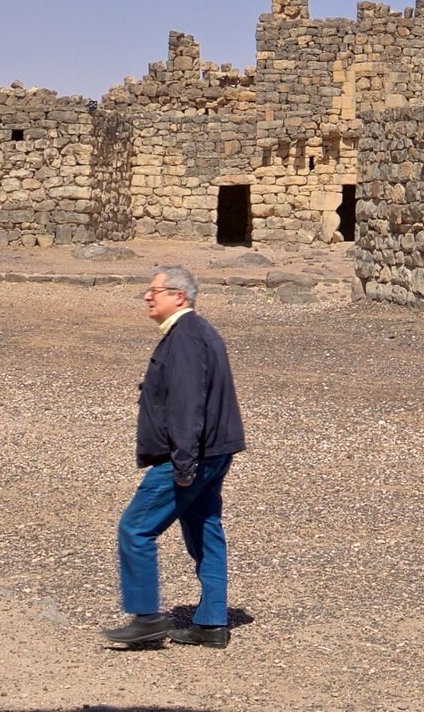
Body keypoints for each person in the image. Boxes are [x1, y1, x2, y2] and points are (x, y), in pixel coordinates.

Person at [101, 265, 246, 649]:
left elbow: (186, 405)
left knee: (135, 528)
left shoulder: (184, 337)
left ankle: (146, 618)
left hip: (191, 455)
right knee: (205, 529)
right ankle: (212, 623)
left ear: (178, 296)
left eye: (155, 291)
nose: (148, 297)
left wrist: (183, 465)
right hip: (215, 450)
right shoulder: (197, 332)